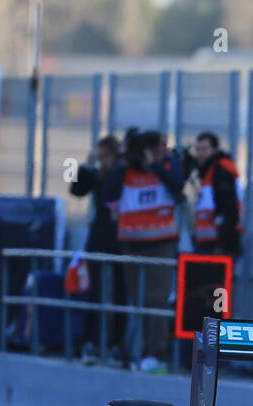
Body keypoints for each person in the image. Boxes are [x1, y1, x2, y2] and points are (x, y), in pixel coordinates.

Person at [116, 130, 184, 373]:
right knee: (137, 298)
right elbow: (109, 192)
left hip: (161, 240)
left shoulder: (167, 166)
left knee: (157, 298)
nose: (164, 149)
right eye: (158, 146)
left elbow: (178, 184)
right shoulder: (126, 170)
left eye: (165, 145)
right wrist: (124, 160)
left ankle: (155, 354)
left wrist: (156, 164)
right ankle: (137, 351)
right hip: (132, 241)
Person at [69, 134, 126, 365]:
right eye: (100, 157)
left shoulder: (124, 174)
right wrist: (87, 162)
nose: (103, 162)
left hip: (123, 240)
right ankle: (89, 343)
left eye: (105, 157)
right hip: (99, 238)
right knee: (95, 292)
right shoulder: (96, 175)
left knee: (121, 294)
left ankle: (116, 345)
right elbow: (76, 190)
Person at [190, 131, 243, 258]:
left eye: (204, 149)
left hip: (218, 243)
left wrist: (221, 246)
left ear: (215, 150)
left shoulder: (221, 171)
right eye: (198, 149)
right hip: (209, 241)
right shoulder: (208, 170)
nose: (200, 154)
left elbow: (230, 210)